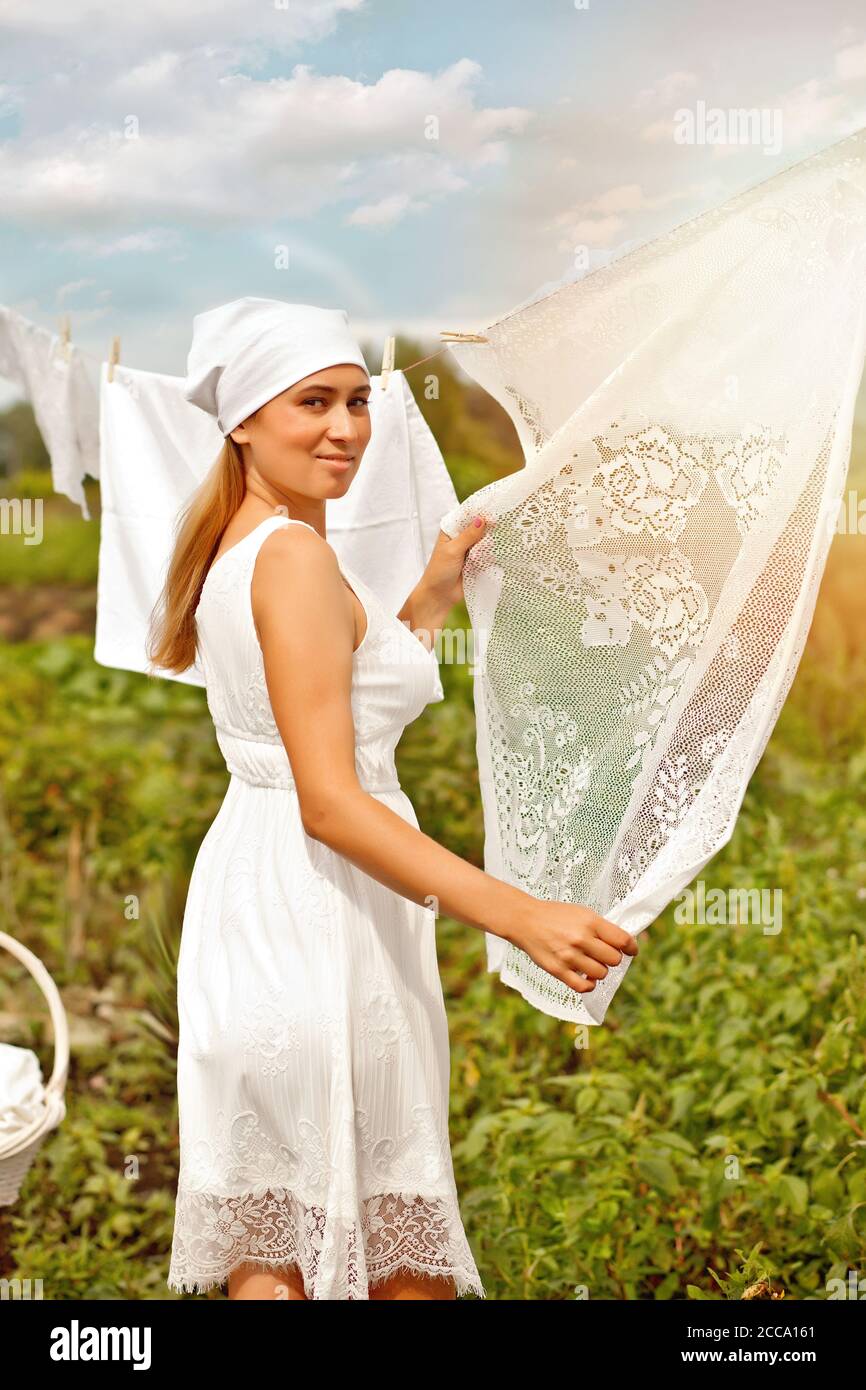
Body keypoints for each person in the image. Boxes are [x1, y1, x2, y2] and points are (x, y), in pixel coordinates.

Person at [147, 298, 638, 1301]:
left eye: (357, 401)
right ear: (243, 419)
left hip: (256, 908)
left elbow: (337, 696)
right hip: (321, 916)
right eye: (311, 402)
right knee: (399, 1263)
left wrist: (432, 590)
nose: (344, 428)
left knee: (275, 1252)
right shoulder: (291, 557)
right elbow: (329, 800)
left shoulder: (250, 549)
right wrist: (520, 913)